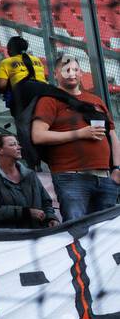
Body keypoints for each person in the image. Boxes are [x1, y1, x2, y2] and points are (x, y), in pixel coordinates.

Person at [30, 56, 120, 222]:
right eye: (66, 70)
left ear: (81, 73)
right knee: (77, 229)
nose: (71, 74)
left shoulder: (96, 101)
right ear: (56, 74)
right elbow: (38, 135)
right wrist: (80, 133)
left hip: (105, 177)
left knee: (106, 235)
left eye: (75, 70)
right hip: (71, 177)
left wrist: (117, 168)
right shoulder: (49, 99)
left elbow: (112, 136)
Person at [0, 133, 58, 229]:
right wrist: (25, 213)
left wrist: (51, 218)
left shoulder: (30, 175)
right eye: (12, 144)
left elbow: (46, 202)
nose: (19, 147)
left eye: (18, 144)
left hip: (37, 235)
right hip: (6, 238)